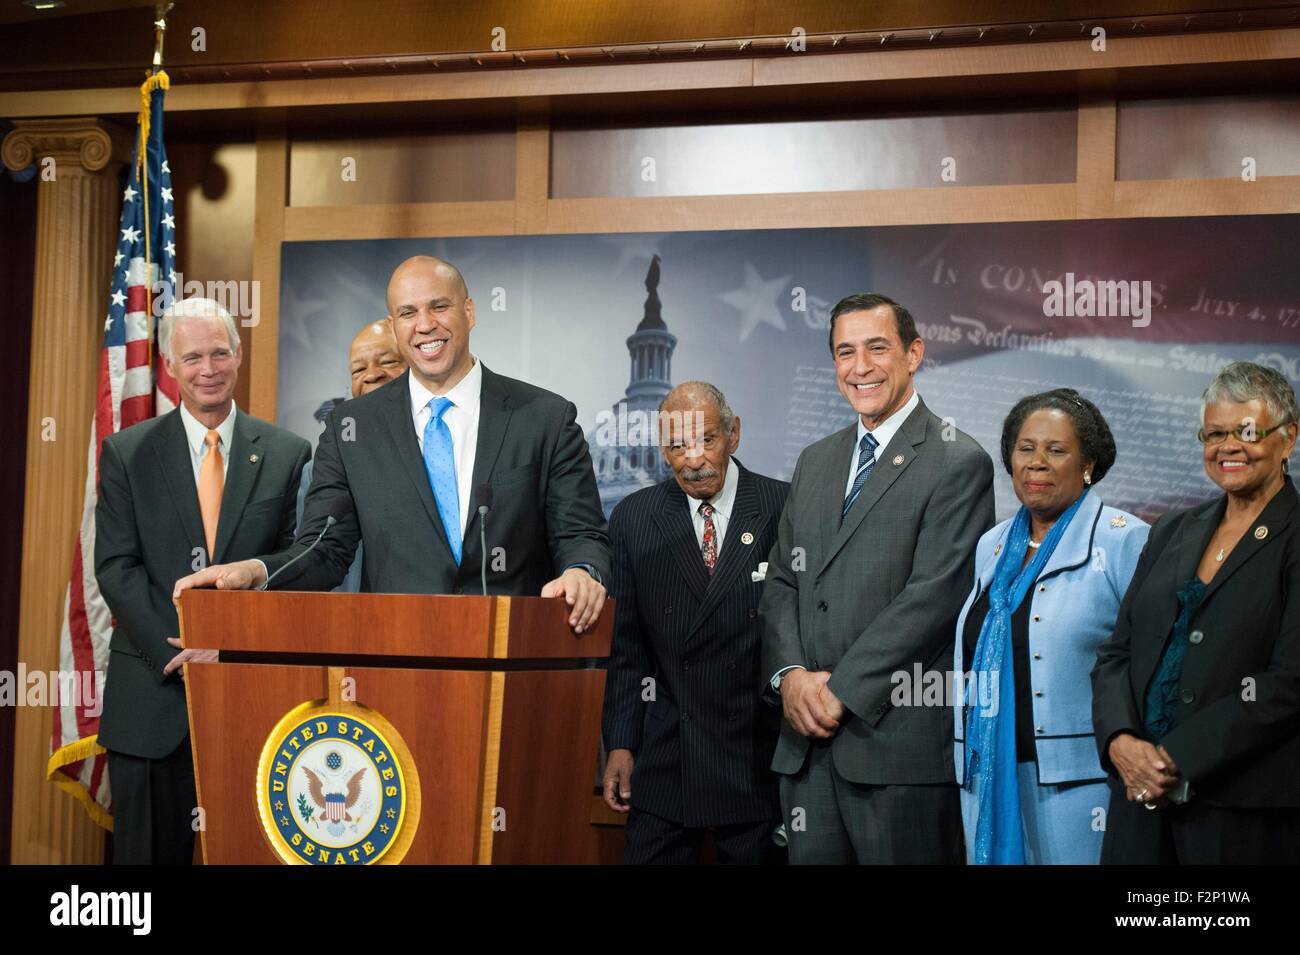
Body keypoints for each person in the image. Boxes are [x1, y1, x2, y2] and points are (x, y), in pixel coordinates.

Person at [173, 256, 610, 632]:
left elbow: (581, 533)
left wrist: (580, 572)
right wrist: (256, 571)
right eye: (407, 313)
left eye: (439, 306)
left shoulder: (545, 417)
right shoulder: (351, 429)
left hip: (515, 658)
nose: (425, 325)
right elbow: (324, 549)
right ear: (395, 325)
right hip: (398, 661)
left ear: (470, 311)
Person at [760, 292, 995, 864]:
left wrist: (838, 692)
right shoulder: (816, 460)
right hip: (807, 751)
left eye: (876, 348)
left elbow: (935, 598)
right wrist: (791, 678)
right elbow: (782, 582)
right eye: (845, 352)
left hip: (895, 751)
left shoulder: (957, 460)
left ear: (914, 354)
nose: (860, 367)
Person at [95, 297, 310, 864]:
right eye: (193, 357)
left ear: (238, 357)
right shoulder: (127, 453)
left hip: (252, 699)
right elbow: (116, 566)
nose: (208, 368)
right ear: (170, 365)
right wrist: (184, 646)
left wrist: (229, 645)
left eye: (219, 352)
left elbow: (298, 562)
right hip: (151, 696)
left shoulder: (289, 454)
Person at [1092, 361, 1300, 864]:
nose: (1227, 447)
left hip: (1240, 813)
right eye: (1214, 433)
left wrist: (1175, 758)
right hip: (1138, 807)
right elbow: (1117, 651)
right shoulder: (1170, 531)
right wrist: (1120, 741)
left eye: (1245, 432)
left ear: (1288, 438)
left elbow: (1290, 681)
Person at [954, 389, 1148, 864]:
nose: (1036, 463)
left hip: (1079, 783)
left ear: (1089, 465)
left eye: (1056, 450)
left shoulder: (1125, 540)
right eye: (1025, 448)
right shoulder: (993, 545)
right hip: (986, 774)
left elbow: (1147, 664)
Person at [601, 382, 788, 864]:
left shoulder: (784, 508)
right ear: (662, 449)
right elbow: (627, 649)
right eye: (677, 446)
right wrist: (620, 744)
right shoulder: (634, 518)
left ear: (734, 435)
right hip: (667, 754)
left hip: (756, 756)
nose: (693, 460)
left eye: (705, 440)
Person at [294, 320, 407, 592]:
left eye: (389, 361)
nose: (371, 375)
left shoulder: (443, 456)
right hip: (347, 625)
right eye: (358, 369)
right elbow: (309, 560)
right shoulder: (319, 470)